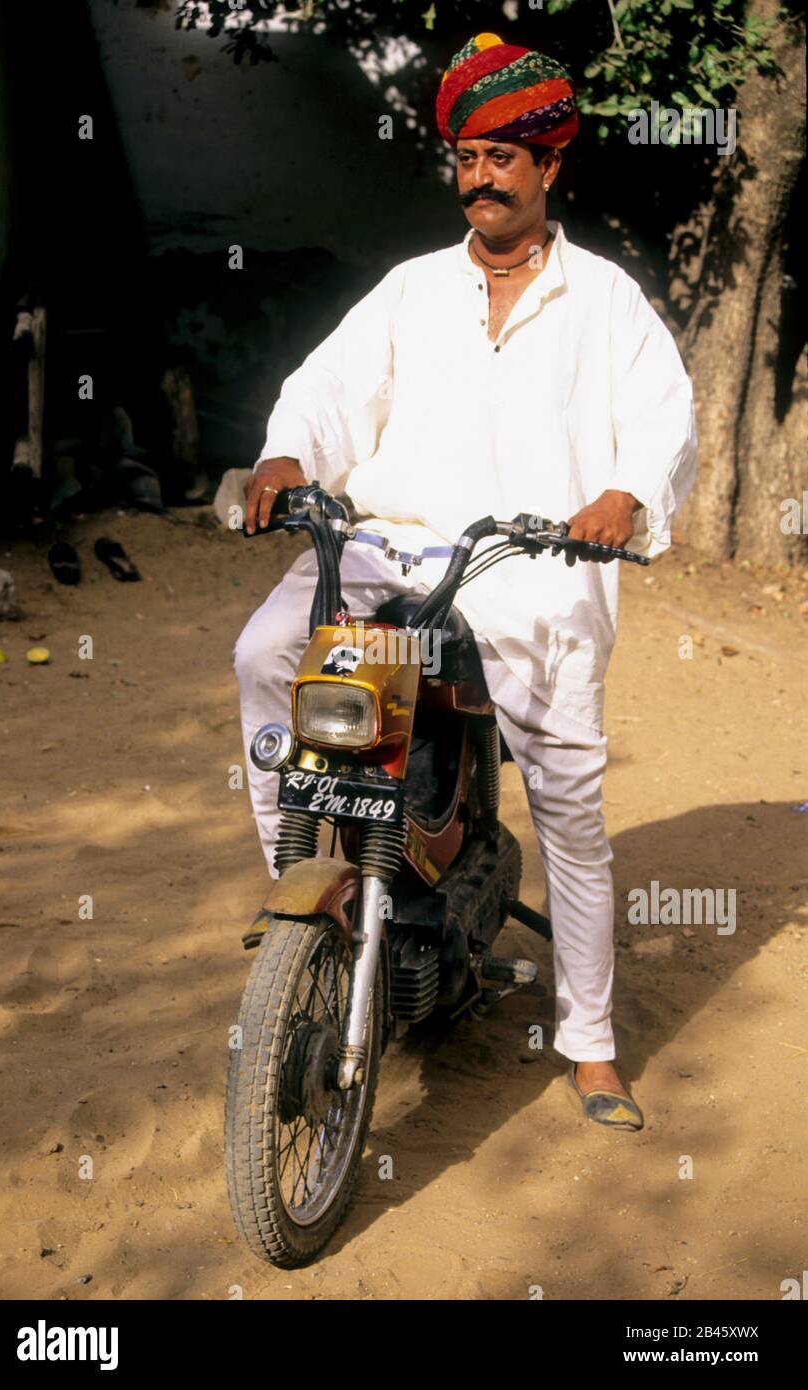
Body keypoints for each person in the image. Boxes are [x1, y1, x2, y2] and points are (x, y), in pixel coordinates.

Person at [233, 32, 697, 1130]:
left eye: (502, 156)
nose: (480, 176)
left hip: (533, 565)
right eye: (467, 157)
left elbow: (664, 422)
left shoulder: (607, 302)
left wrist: (626, 494)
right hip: (393, 548)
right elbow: (326, 387)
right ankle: (306, 912)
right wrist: (289, 450)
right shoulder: (411, 290)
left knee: (569, 808)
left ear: (547, 168)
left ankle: (588, 1043)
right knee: (263, 656)